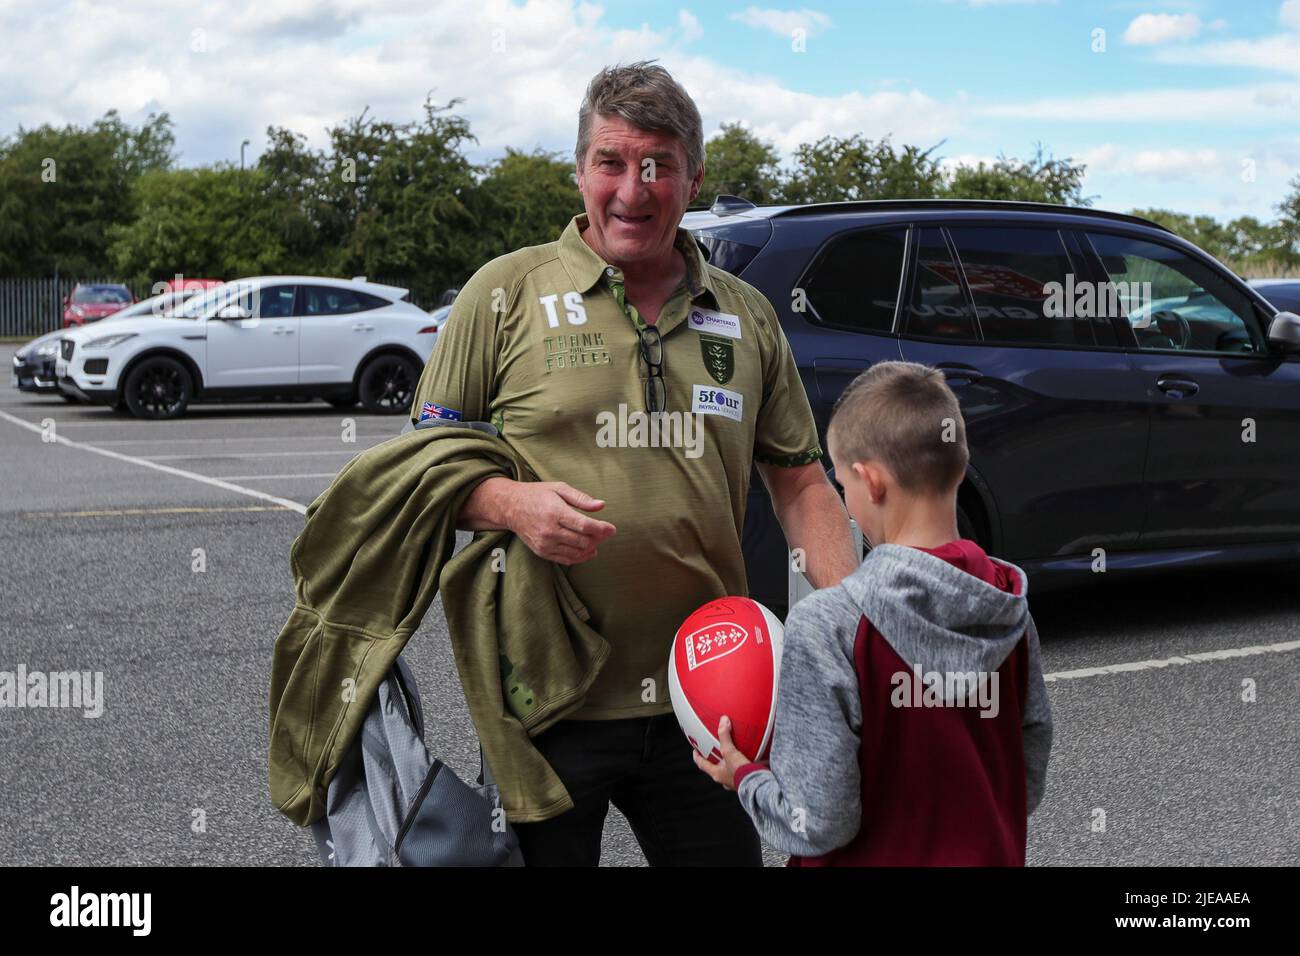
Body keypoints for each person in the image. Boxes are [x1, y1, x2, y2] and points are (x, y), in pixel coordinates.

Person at [408, 60, 859, 866]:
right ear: (579, 170)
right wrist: (511, 506)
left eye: (658, 166)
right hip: (545, 696)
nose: (632, 189)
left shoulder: (745, 314)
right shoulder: (503, 294)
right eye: (611, 163)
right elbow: (422, 470)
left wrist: (855, 626)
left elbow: (799, 482)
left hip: (714, 697)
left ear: (693, 177)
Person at [695, 360, 1054, 865]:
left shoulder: (830, 624)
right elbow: (1027, 774)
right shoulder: (1006, 602)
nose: (846, 502)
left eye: (843, 486)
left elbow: (820, 821)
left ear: (871, 482)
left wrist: (747, 777)